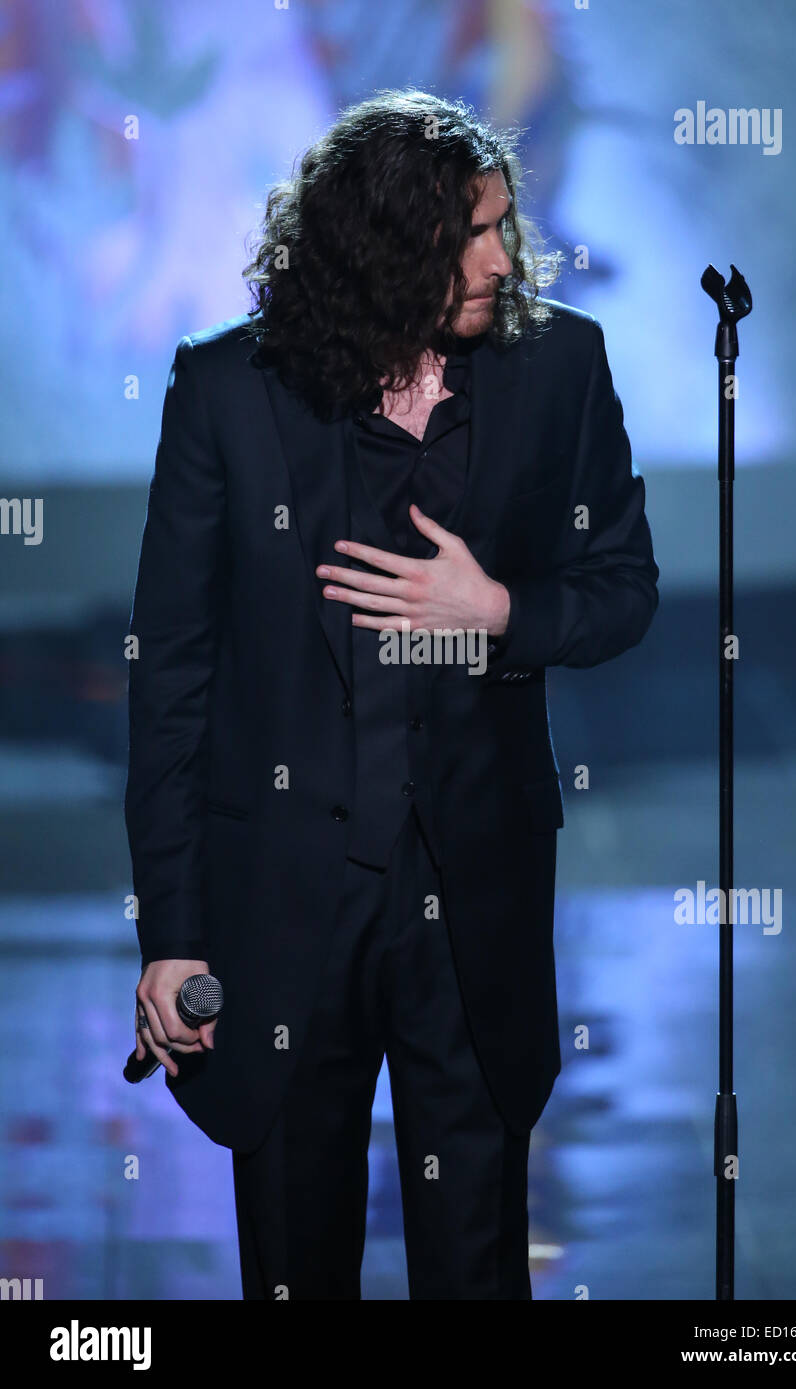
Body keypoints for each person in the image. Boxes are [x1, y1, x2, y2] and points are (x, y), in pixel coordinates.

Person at [124, 89, 659, 1300]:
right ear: (379, 245)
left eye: (503, 226)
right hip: (287, 911)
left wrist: (503, 613)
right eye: (469, 233)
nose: (503, 258)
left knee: (475, 1265)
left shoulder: (556, 364)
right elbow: (174, 680)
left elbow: (623, 586)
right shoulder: (226, 391)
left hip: (474, 901)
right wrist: (172, 936)